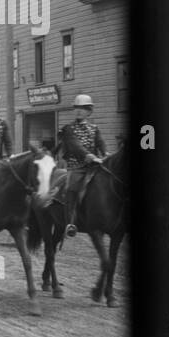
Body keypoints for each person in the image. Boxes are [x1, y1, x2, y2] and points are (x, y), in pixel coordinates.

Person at [60, 95, 107, 238]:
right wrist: (90, 157)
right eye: (77, 108)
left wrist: (105, 155)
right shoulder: (68, 129)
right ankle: (71, 223)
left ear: (89, 111)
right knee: (71, 188)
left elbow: (100, 143)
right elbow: (75, 147)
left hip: (94, 166)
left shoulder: (94, 128)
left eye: (83, 109)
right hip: (77, 167)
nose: (79, 111)